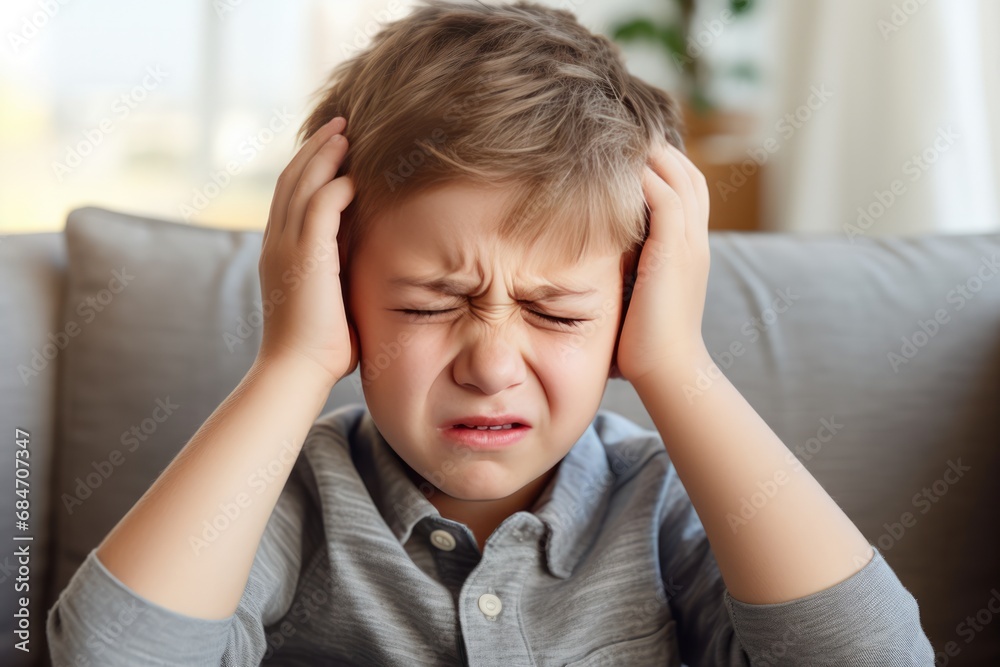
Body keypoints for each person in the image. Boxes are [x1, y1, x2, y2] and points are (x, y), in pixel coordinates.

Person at [46, 1, 935, 664]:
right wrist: (292, 361)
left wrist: (678, 364)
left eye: (557, 312)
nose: (493, 364)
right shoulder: (292, 503)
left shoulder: (665, 507)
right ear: (336, 293)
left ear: (629, 306)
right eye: (430, 305)